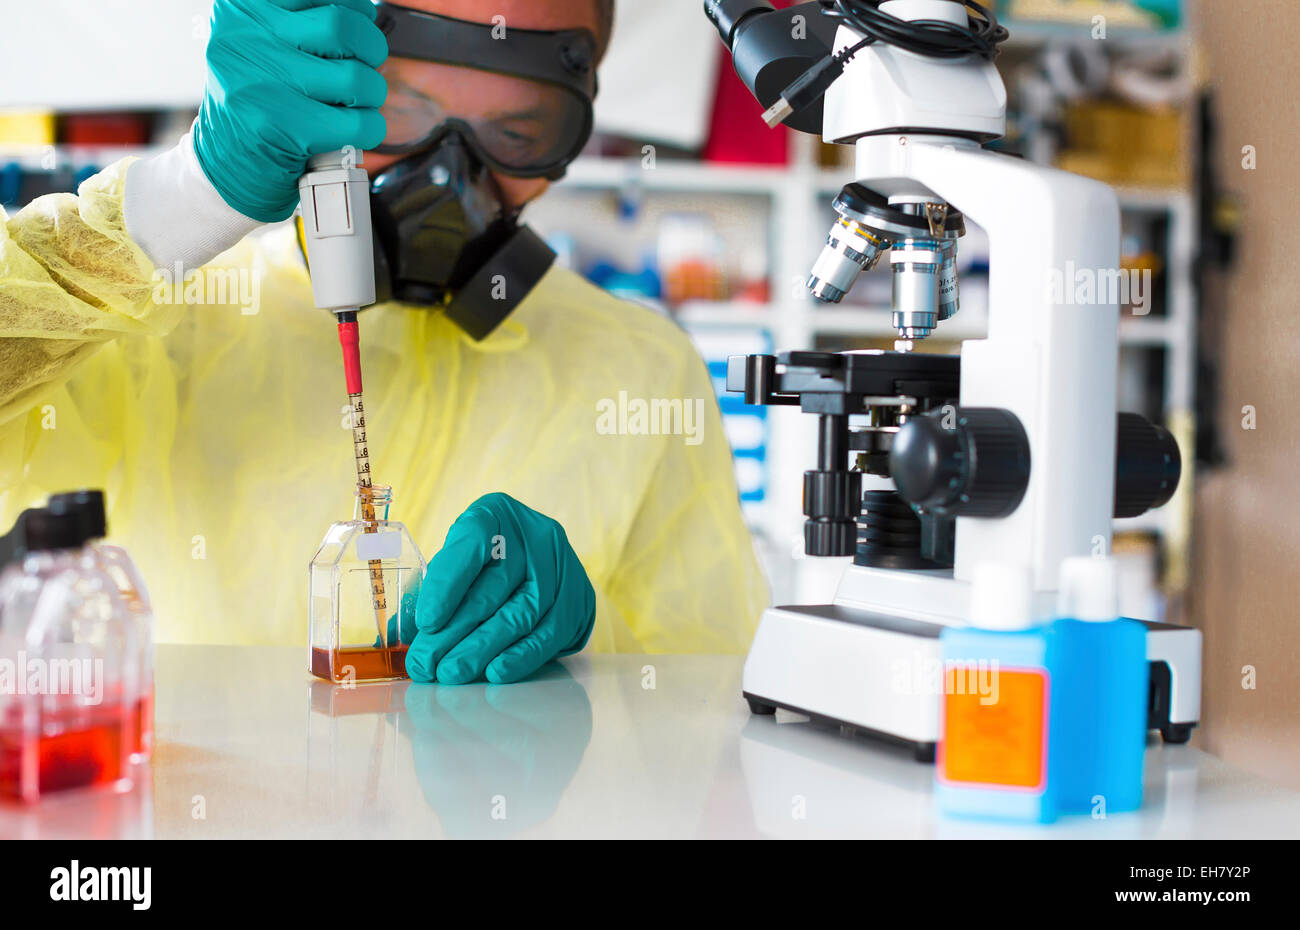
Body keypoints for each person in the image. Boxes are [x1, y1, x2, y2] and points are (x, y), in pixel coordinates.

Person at [0, 0, 769, 683]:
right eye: (397, 110)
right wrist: (185, 200)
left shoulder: (643, 370)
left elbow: (709, 728)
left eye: (518, 132)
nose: (445, 183)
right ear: (320, 79)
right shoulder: (149, 316)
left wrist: (577, 660)